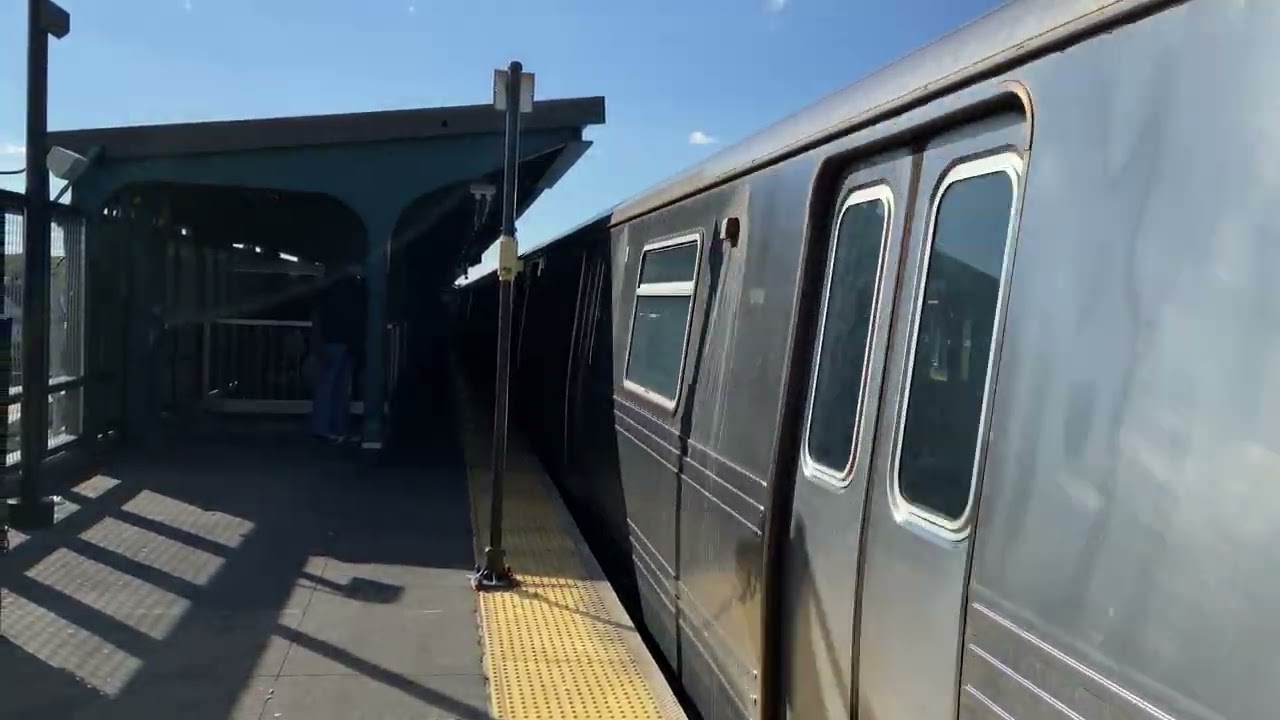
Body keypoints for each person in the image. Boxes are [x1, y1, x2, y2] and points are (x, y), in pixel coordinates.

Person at [309, 271, 362, 442]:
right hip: (346, 344)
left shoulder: (327, 298)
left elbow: (318, 321)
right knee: (339, 390)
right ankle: (336, 428)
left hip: (333, 342)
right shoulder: (352, 296)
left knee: (328, 388)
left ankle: (325, 428)